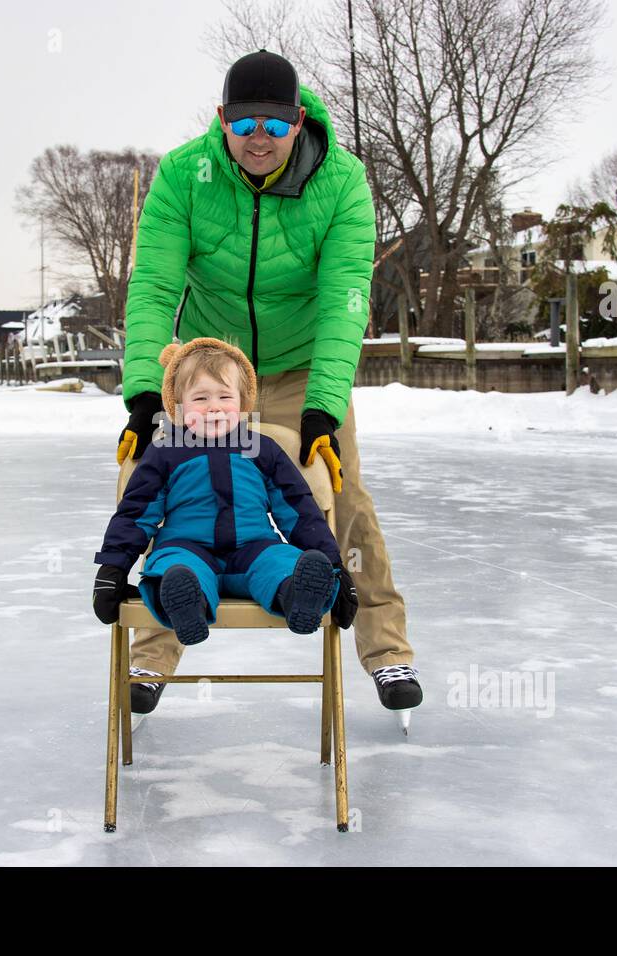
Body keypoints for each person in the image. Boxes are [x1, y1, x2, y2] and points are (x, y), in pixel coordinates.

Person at [114, 49, 421, 715]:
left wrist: (324, 407)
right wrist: (145, 390)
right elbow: (154, 286)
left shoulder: (341, 182)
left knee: (344, 497)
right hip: (206, 370)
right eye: (245, 123)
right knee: (171, 489)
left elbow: (345, 298)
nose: (260, 138)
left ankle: (387, 652)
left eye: (276, 126)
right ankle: (151, 658)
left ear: (298, 120)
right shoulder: (183, 175)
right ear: (221, 121)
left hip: (302, 364)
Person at [93, 338, 357, 681]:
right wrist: (113, 568)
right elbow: (135, 514)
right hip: (186, 547)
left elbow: (299, 511)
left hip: (254, 547)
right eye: (200, 398)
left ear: (244, 401)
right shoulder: (166, 452)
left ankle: (298, 594)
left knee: (281, 561)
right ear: (178, 405)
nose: (213, 408)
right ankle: (189, 604)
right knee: (173, 566)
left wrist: (334, 563)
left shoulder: (263, 450)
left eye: (225, 397)